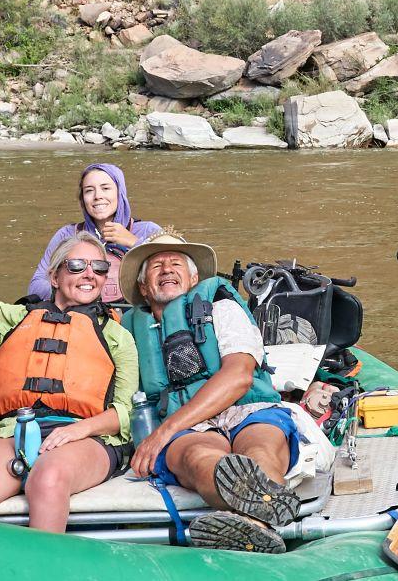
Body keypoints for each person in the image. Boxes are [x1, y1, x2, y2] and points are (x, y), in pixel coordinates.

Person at [116, 232, 303, 552]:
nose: (166, 269)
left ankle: (252, 522)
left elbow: (239, 376)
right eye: (156, 266)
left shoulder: (221, 307)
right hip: (188, 427)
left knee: (260, 449)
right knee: (198, 458)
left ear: (193, 279)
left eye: (176, 263)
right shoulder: (128, 330)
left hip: (246, 407)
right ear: (144, 288)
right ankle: (258, 524)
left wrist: (163, 433)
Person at [0, 230, 142, 533]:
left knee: (48, 478)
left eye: (99, 267)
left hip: (86, 437)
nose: (89, 274)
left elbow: (126, 411)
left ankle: (43, 563)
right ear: (54, 276)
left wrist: (79, 430)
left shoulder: (117, 336)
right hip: (11, 430)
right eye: (76, 265)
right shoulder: (10, 318)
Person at [24, 163, 158, 304]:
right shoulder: (67, 234)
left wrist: (136, 243)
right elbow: (36, 285)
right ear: (82, 199)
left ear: (120, 193)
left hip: (134, 313)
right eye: (89, 190)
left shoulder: (148, 231)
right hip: (78, 312)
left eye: (105, 188)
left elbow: (171, 277)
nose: (97, 196)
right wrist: (76, 291)